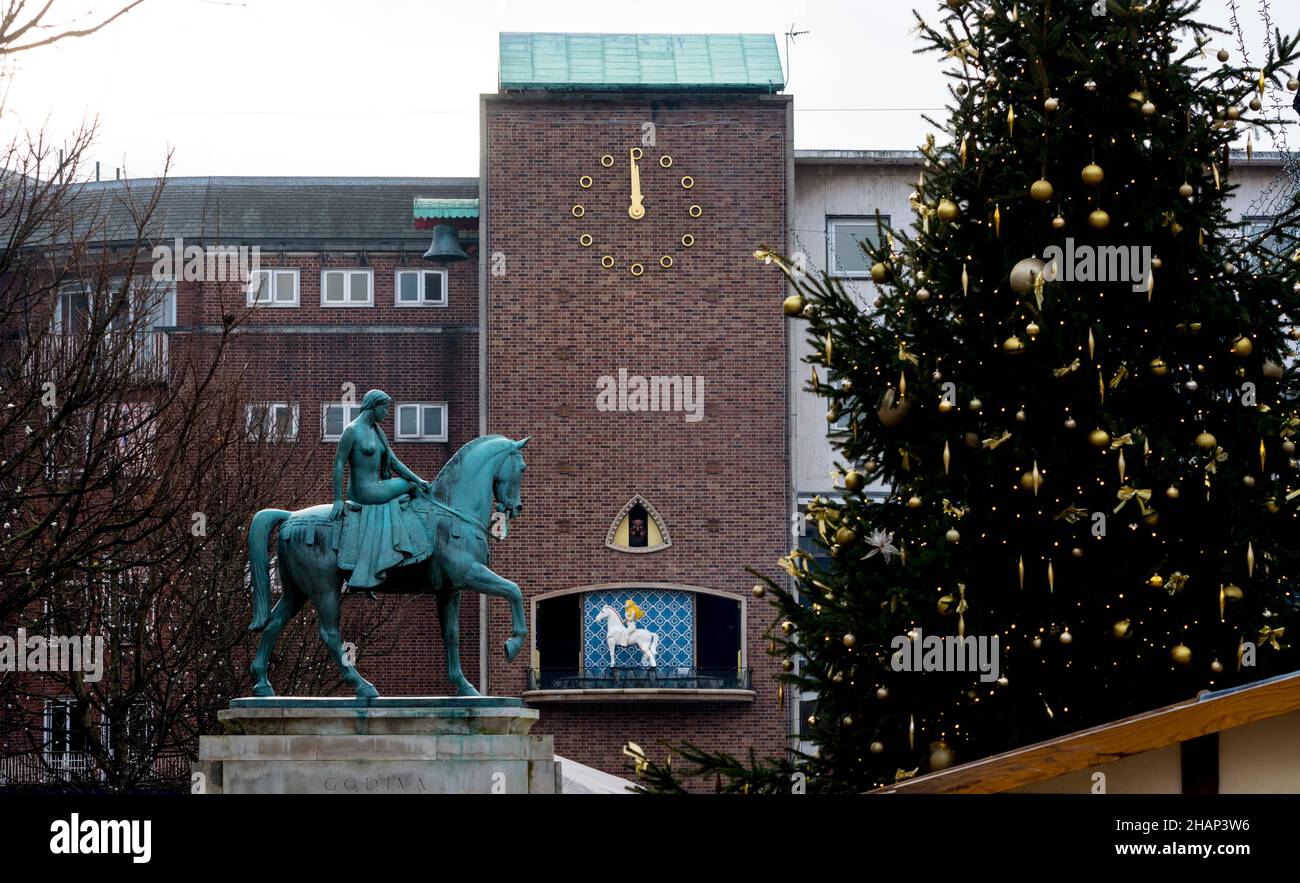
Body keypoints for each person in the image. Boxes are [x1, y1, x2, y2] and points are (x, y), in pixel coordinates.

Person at [329, 389, 430, 588]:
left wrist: (420, 481)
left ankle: (398, 531)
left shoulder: (377, 432)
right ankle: (400, 541)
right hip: (363, 491)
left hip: (378, 486)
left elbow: (394, 463)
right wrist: (338, 499)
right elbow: (338, 463)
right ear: (373, 406)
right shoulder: (352, 430)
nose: (386, 413)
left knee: (413, 485)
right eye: (384, 408)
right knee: (409, 486)